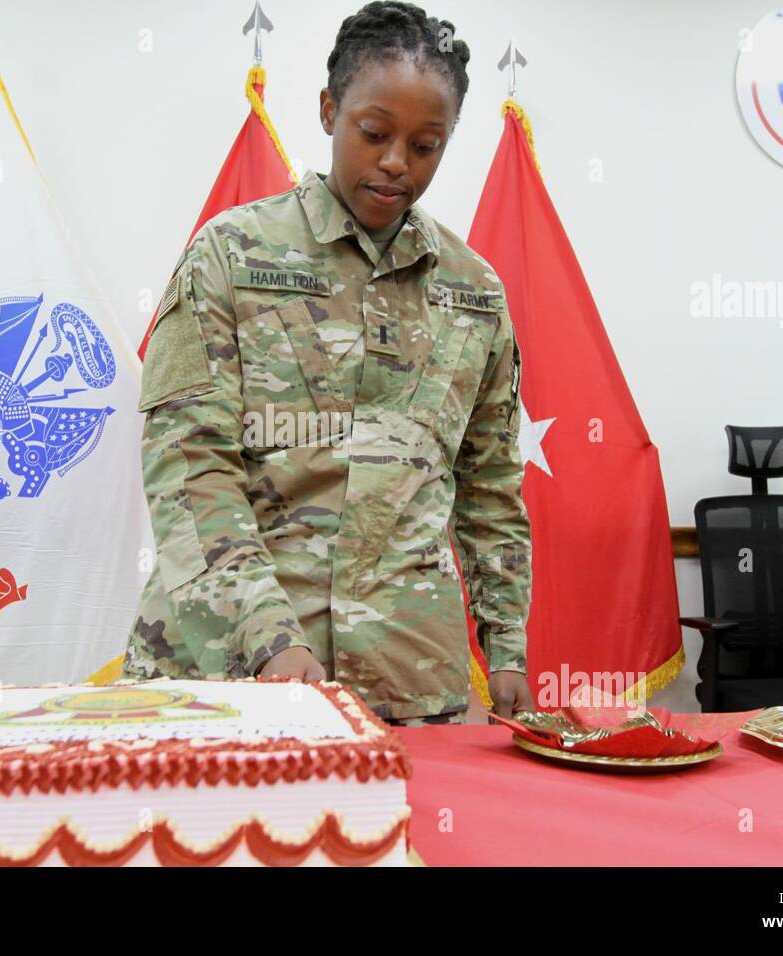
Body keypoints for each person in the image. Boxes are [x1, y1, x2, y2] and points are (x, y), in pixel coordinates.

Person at [123, 1, 534, 723]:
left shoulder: (475, 293)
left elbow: (491, 485)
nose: (396, 163)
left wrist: (505, 645)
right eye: (374, 133)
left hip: (406, 687)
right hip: (230, 678)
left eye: (427, 145)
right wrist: (267, 637)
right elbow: (190, 466)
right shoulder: (230, 254)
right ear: (327, 111)